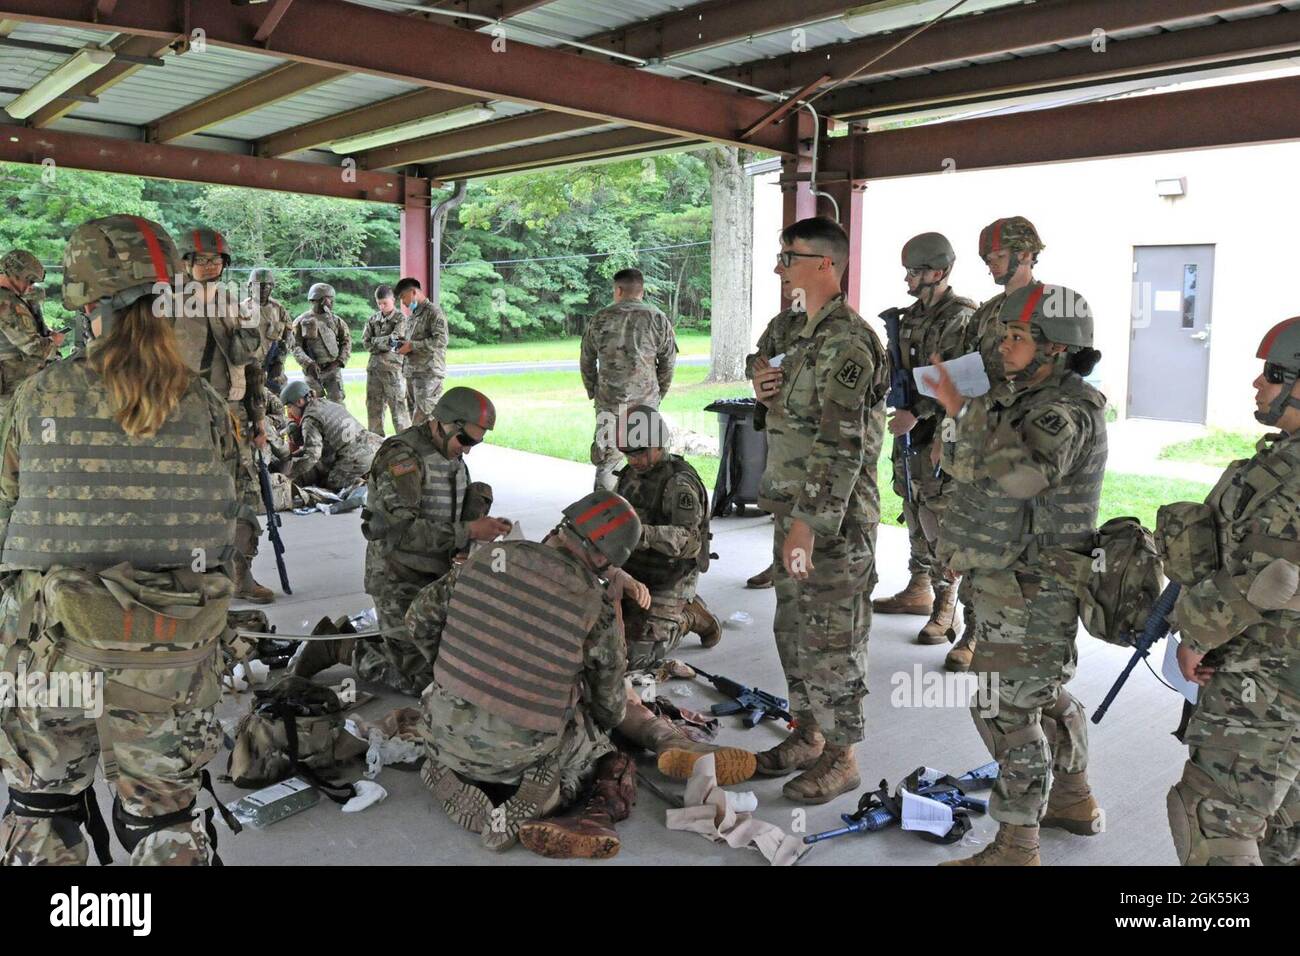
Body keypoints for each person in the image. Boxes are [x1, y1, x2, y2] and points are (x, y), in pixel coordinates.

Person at [0, 215, 239, 865]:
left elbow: (6, 511)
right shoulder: (208, 406)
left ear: (83, 302)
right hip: (167, 655)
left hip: (51, 655)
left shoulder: (36, 395)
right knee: (164, 824)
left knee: (44, 815)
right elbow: (226, 528)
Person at [929, 282, 1107, 866]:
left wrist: (964, 412)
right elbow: (952, 460)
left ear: (1055, 348)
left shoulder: (1067, 409)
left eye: (1017, 337)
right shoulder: (1016, 399)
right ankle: (1073, 800)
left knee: (1006, 710)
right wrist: (967, 423)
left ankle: (1016, 845)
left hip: (1036, 585)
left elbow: (1020, 478)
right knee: (1040, 696)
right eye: (1003, 334)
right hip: (1007, 578)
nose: (1003, 346)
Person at [409, 492, 644, 858]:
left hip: (441, 725)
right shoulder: (595, 606)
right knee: (599, 742)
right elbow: (610, 707)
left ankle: (445, 765)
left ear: (563, 526)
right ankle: (553, 791)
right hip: (517, 757)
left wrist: (453, 668)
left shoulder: (487, 557)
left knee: (451, 699)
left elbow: (417, 621)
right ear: (601, 557)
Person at [750, 217, 889, 804]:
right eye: (780, 257)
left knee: (834, 638)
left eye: (790, 257)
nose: (780, 267)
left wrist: (807, 524)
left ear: (826, 265)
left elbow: (842, 443)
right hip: (792, 507)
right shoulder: (790, 324)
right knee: (794, 629)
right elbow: (761, 358)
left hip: (834, 521)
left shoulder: (852, 342)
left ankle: (842, 756)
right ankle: (808, 733)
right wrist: (759, 378)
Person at [1165, 316, 1300, 866]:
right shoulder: (1281, 457)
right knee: (1285, 829)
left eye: (1272, 374)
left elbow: (1271, 577)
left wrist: (1195, 634)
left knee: (1212, 818)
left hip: (1268, 680)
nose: (1258, 385)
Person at [352, 386, 511, 694]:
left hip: (434, 576)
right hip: (398, 579)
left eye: (475, 443)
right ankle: (348, 650)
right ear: (442, 423)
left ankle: (392, 642)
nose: (467, 450)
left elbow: (446, 513)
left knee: (464, 663)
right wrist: (470, 531)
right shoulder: (402, 458)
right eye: (465, 440)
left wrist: (474, 535)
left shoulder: (449, 455)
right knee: (424, 682)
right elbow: (402, 532)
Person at [942, 215, 1047, 673]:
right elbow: (968, 371)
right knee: (973, 534)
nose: (990, 264)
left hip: (1022, 444)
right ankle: (972, 628)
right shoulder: (985, 313)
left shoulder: (1051, 309)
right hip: (977, 440)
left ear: (1026, 254)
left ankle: (1012, 636)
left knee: (1017, 541)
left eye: (998, 256)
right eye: (986, 257)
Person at [872, 233, 976, 650]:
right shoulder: (910, 317)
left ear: (940, 271)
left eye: (915, 272)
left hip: (945, 435)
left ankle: (958, 614)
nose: (908, 279)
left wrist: (918, 412)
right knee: (915, 510)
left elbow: (963, 379)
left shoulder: (962, 317)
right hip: (910, 435)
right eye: (907, 271)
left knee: (947, 526)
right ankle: (922, 589)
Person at [178, 227, 273, 604]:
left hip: (233, 413)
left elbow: (253, 368)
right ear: (186, 262)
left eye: (216, 260)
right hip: (187, 416)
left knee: (244, 496)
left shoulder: (235, 304)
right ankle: (191, 576)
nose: (209, 266)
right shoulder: (168, 307)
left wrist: (259, 418)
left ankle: (240, 572)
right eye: (201, 260)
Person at [611, 404, 719, 667]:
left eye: (638, 453)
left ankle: (690, 616)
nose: (632, 460)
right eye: (627, 454)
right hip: (634, 570)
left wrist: (642, 534)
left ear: (658, 444)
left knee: (638, 656)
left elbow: (691, 542)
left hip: (670, 575)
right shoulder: (629, 476)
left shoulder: (679, 483)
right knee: (604, 636)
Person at [580, 268, 677, 491]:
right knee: (650, 459)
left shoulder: (600, 318)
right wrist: (657, 394)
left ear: (619, 290)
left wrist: (593, 390)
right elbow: (668, 363)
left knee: (607, 460)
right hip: (645, 405)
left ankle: (605, 513)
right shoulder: (657, 319)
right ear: (641, 290)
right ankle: (649, 510)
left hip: (609, 405)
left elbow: (586, 361)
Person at [742, 305, 805, 591]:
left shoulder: (837, 328)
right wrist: (757, 366)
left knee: (807, 502)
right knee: (782, 499)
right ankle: (780, 561)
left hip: (808, 428)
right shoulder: (782, 322)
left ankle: (798, 563)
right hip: (779, 421)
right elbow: (755, 358)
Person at [280, 380, 382, 491]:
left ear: (299, 402)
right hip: (374, 446)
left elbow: (312, 457)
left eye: (289, 407)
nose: (289, 411)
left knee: (331, 484)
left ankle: (366, 485)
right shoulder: (326, 403)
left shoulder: (310, 419)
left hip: (357, 457)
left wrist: (290, 475)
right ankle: (369, 475)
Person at [0, 249, 64, 419]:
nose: (30, 287)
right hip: (12, 390)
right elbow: (34, 348)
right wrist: (54, 341)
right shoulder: (7, 303)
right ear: (14, 275)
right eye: (29, 281)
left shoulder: (11, 298)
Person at [393, 277, 447, 426]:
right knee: (415, 420)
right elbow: (413, 340)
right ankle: (419, 448)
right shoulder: (413, 316)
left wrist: (411, 346)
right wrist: (403, 344)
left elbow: (441, 341)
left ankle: (427, 449)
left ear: (414, 292)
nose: (402, 302)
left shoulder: (434, 313)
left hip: (429, 374)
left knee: (423, 419)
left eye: (403, 297)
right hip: (413, 373)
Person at [362, 284, 411, 435]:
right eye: (379, 303)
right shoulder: (373, 319)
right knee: (373, 408)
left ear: (393, 300)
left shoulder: (401, 319)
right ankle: (376, 444)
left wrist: (376, 341)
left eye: (385, 303)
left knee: (399, 410)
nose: (382, 307)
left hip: (393, 371)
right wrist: (383, 342)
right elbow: (365, 342)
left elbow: (394, 341)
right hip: (374, 370)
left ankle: (406, 444)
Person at [290, 283, 351, 401]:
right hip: (313, 372)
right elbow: (294, 346)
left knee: (337, 405)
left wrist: (339, 361)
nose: (331, 303)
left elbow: (346, 342)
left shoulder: (335, 320)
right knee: (313, 405)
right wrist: (308, 363)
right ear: (321, 300)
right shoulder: (302, 321)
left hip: (333, 370)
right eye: (330, 300)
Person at [241, 266, 293, 394]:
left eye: (268, 285)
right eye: (259, 285)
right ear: (250, 286)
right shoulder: (242, 309)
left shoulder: (278, 308)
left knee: (278, 401)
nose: (263, 289)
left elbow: (288, 335)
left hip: (274, 366)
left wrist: (279, 361)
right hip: (250, 368)